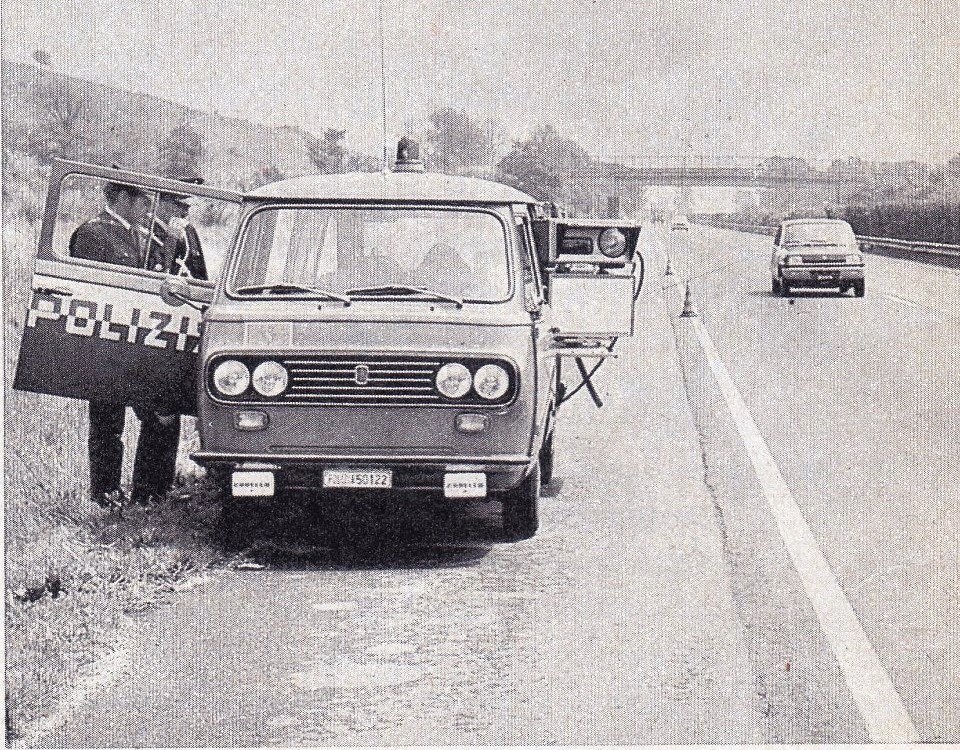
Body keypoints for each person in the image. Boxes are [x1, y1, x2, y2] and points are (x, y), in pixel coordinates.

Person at [70, 180, 153, 506]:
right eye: (141, 200)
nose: (147, 209)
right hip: (105, 341)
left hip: (134, 339)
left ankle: (142, 491)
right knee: (106, 423)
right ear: (120, 197)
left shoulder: (135, 234)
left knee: (151, 413)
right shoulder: (92, 233)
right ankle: (104, 493)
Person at [130, 171, 208, 504]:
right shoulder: (146, 236)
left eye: (185, 204)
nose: (184, 211)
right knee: (156, 411)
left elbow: (199, 275)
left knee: (170, 410)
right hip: (152, 326)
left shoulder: (185, 233)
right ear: (161, 202)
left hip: (180, 325)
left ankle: (160, 485)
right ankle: (147, 489)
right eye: (178, 203)